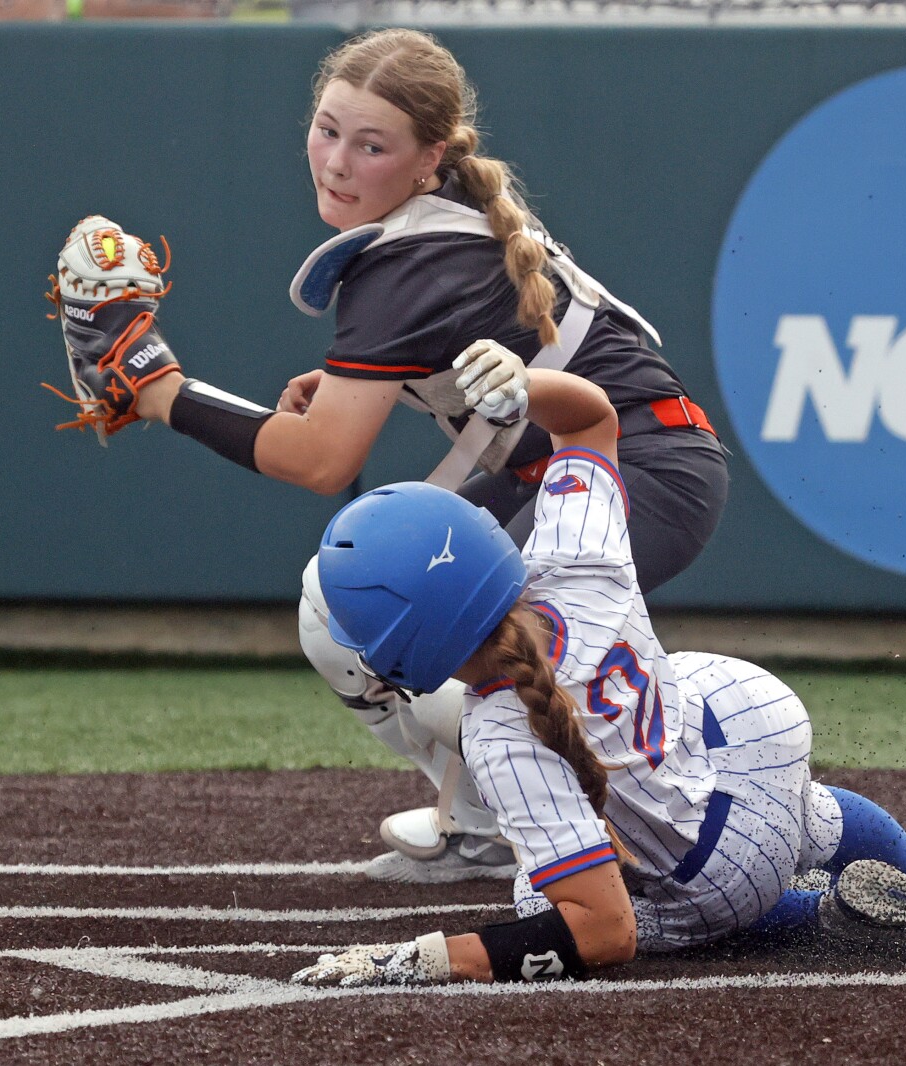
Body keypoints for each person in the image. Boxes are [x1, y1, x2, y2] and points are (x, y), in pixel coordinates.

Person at [45, 28, 729, 884]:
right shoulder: (434, 220)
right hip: (594, 463)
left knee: (456, 644)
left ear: (426, 157)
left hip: (637, 473)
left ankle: (663, 825)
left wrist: (157, 388)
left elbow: (320, 463)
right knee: (342, 601)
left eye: (370, 145)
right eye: (327, 129)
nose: (336, 161)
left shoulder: (405, 261)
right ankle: (488, 824)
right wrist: (360, 381)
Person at [286, 366, 906, 988]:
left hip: (725, 869)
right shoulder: (572, 558)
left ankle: (826, 915)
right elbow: (592, 417)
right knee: (790, 802)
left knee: (538, 899)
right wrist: (518, 386)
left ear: (402, 650)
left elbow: (604, 934)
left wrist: (426, 958)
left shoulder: (500, 736)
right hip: (752, 742)